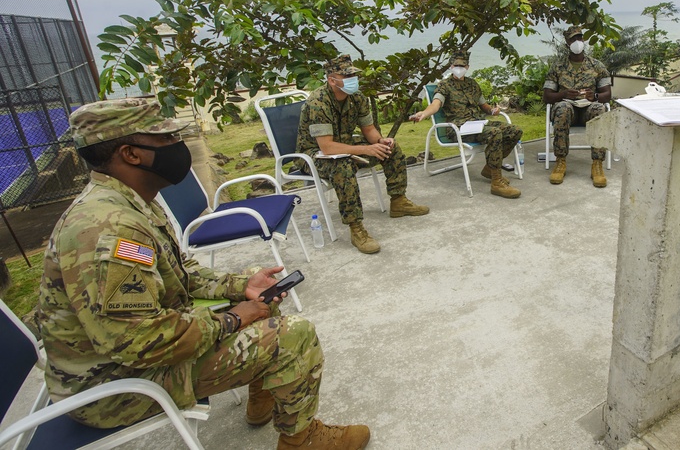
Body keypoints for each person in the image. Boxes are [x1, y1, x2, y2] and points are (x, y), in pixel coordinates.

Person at [35, 98, 369, 450]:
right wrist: (232, 321)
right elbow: (140, 345)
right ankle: (301, 440)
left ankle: (263, 396)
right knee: (295, 335)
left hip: (130, 359)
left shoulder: (129, 202)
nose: (177, 147)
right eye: (165, 140)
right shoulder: (110, 229)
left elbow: (181, 274)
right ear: (131, 154)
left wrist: (242, 286)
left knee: (258, 287)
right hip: (116, 388)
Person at [297, 54, 429, 255]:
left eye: (353, 76)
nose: (353, 81)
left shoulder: (357, 98)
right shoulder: (318, 102)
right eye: (347, 77)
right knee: (343, 167)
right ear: (332, 80)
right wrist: (365, 149)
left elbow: (368, 130)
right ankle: (356, 228)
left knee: (391, 149)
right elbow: (327, 148)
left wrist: (379, 141)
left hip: (345, 146)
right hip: (314, 155)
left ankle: (398, 201)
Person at [409, 51, 523, 199]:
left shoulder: (472, 84)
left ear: (467, 66)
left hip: (478, 123)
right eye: (456, 65)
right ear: (451, 66)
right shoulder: (445, 85)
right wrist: (424, 113)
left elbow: (484, 106)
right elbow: (436, 104)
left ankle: (490, 168)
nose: (459, 68)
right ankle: (496, 182)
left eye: (462, 65)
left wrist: (493, 110)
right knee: (495, 133)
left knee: (515, 130)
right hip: (458, 128)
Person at [542, 25, 612, 187]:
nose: (577, 41)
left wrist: (593, 96)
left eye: (579, 38)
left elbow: (607, 95)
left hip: (589, 110)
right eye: (573, 39)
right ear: (567, 42)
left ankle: (597, 164)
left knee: (600, 109)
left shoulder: (597, 66)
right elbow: (547, 96)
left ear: (583, 40)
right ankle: (560, 162)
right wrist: (563, 94)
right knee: (562, 108)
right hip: (568, 112)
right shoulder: (557, 67)